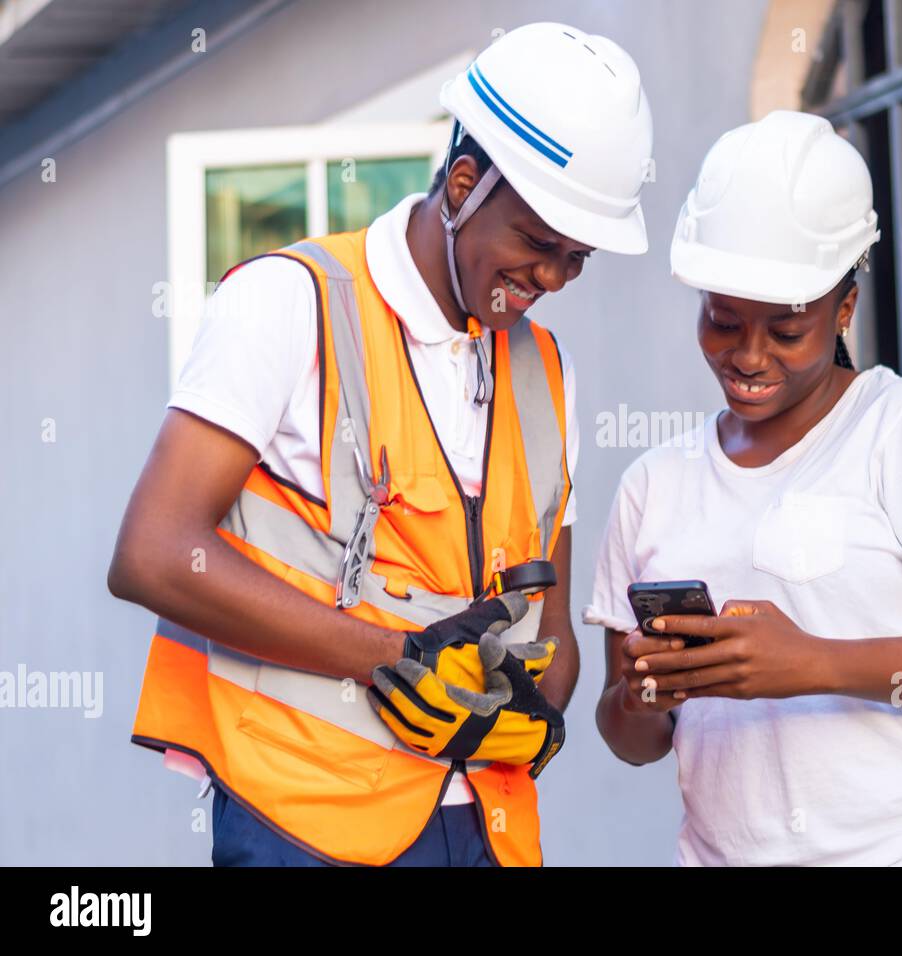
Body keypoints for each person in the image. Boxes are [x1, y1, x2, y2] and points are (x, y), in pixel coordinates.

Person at [108, 22, 654, 867]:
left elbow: (553, 630)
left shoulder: (549, 371)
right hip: (306, 817)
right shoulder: (292, 305)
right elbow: (152, 553)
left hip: (488, 828)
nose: (551, 279)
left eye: (576, 258)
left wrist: (533, 703)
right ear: (463, 185)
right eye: (538, 244)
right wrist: (394, 657)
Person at [585, 110, 902, 866]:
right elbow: (630, 741)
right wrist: (644, 695)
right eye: (723, 321)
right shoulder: (651, 485)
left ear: (845, 310)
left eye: (787, 331)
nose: (749, 356)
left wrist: (808, 663)